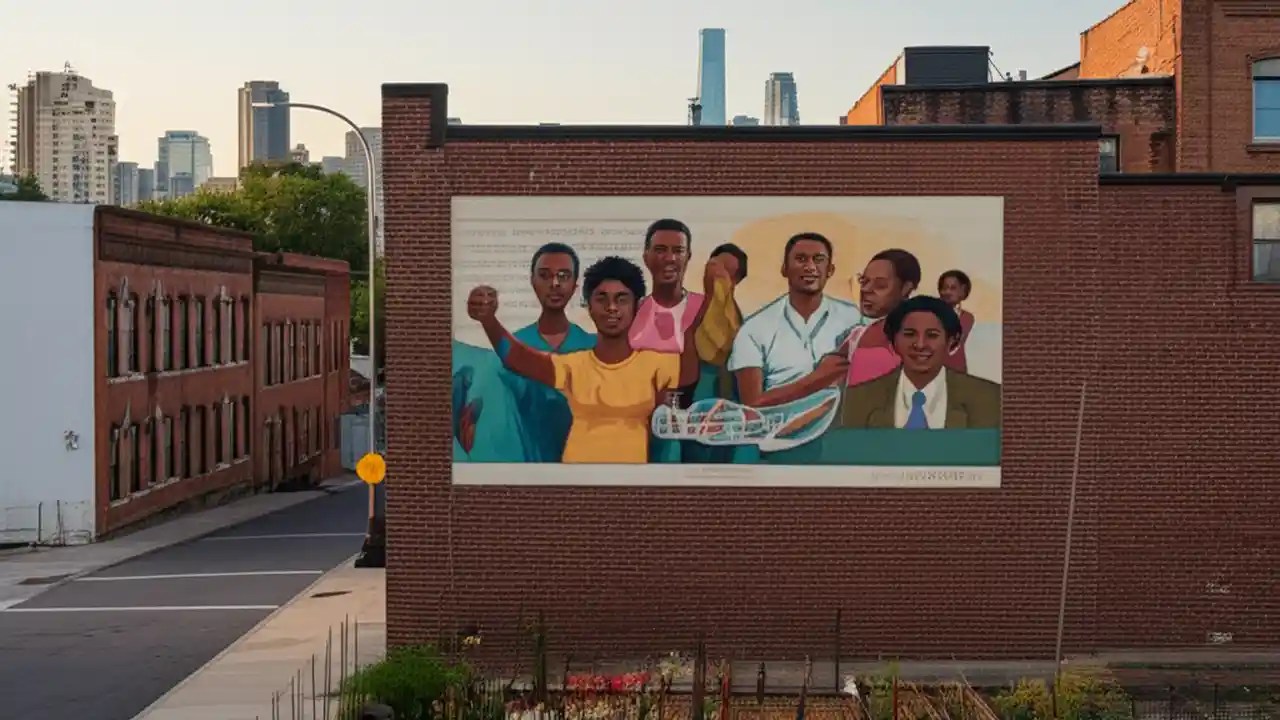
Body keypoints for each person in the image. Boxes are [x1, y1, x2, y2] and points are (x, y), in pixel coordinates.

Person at [467, 256, 711, 464]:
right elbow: (517, 359)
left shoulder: (657, 363)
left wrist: (710, 296)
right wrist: (488, 321)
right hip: (575, 479)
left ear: (637, 306)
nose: (612, 308)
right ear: (588, 307)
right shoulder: (574, 365)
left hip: (632, 482)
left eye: (621, 299)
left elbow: (687, 380)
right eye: (601, 299)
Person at [727, 232, 864, 408]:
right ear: (785, 269)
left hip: (839, 426)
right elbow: (752, 403)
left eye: (818, 259)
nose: (810, 267)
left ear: (830, 270)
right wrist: (818, 378)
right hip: (778, 427)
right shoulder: (755, 328)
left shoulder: (852, 318)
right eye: (801, 259)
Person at [838, 295, 1000, 430]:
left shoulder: (989, 398)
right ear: (893, 341)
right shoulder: (856, 399)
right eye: (909, 334)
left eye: (932, 335)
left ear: (951, 341)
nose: (920, 344)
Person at [497, 242, 596, 461]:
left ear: (575, 285)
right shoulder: (513, 346)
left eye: (563, 275)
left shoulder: (594, 346)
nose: (554, 283)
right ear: (532, 281)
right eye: (545, 275)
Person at [937, 269, 976, 373]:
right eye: (944, 288)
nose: (947, 292)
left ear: (963, 290)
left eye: (953, 288)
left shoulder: (968, 318)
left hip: (958, 369)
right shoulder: (932, 314)